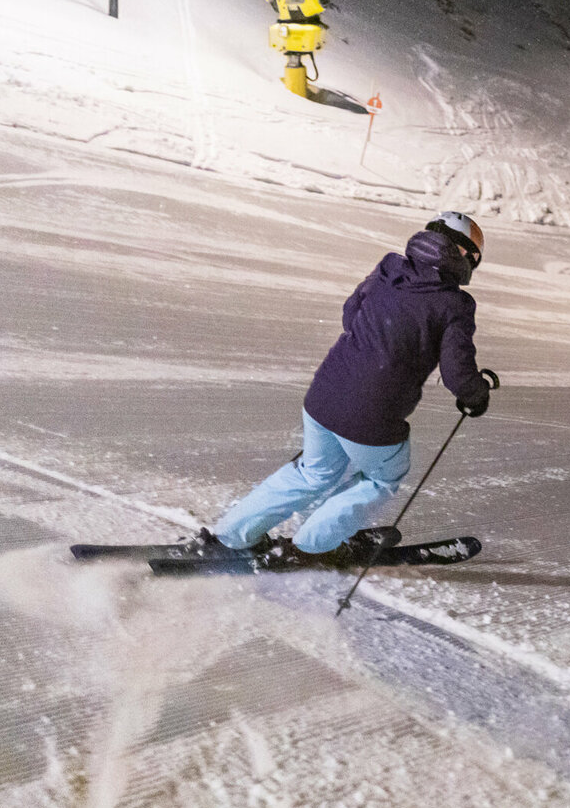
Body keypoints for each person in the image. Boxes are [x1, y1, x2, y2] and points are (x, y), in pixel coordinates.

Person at [192, 211, 495, 564]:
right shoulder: (454, 304)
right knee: (383, 478)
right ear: (462, 255)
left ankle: (231, 535)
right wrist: (476, 394)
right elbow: (457, 373)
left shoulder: (390, 268)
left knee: (313, 473)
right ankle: (313, 546)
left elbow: (351, 313)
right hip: (372, 415)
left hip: (323, 396)